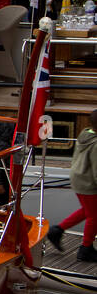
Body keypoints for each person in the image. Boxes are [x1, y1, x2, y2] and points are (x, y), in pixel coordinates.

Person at [47, 109, 97, 261]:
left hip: (78, 178)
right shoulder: (96, 144)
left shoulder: (85, 134)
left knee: (87, 210)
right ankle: (85, 249)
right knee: (94, 216)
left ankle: (57, 230)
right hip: (88, 183)